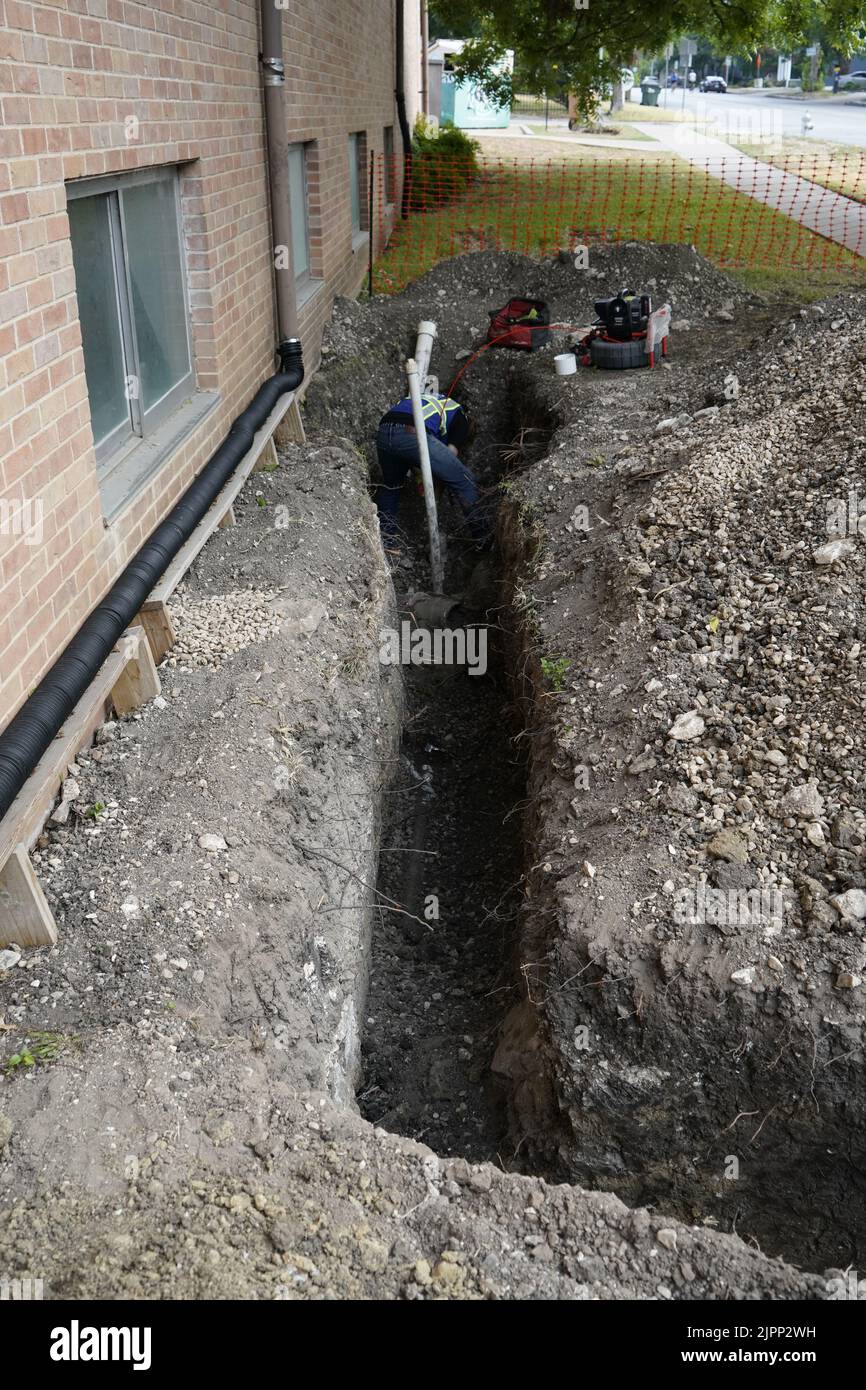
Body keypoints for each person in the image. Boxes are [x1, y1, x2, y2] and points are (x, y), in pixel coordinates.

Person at [375, 391, 487, 551]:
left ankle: (386, 541)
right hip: (412, 431)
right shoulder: (461, 416)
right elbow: (450, 454)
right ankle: (483, 538)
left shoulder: (428, 399)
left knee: (391, 486)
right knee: (464, 480)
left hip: (384, 432)